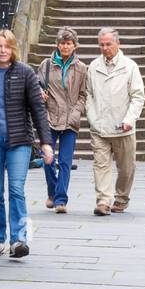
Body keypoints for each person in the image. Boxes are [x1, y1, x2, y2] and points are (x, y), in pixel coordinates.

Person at [0, 29, 52, 258]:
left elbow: (38, 109)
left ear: (13, 49)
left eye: (7, 47)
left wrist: (46, 142)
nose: (3, 50)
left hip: (19, 141)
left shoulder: (25, 72)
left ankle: (19, 240)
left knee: (16, 190)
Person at [86, 28, 144, 216]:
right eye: (101, 45)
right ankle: (103, 201)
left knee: (126, 168)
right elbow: (88, 95)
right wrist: (92, 118)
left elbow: (137, 96)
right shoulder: (93, 67)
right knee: (101, 166)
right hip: (100, 127)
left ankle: (121, 198)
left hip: (123, 127)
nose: (105, 48)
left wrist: (129, 119)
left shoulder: (130, 66)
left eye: (108, 44)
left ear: (118, 43)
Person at [37, 27, 87, 214]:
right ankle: (52, 191)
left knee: (65, 161)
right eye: (62, 43)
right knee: (47, 158)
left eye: (69, 43)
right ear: (57, 44)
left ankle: (60, 200)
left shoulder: (81, 68)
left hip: (70, 121)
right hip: (49, 118)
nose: (65, 46)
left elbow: (83, 95)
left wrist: (76, 114)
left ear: (74, 46)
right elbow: (35, 84)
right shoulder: (46, 65)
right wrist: (40, 93)